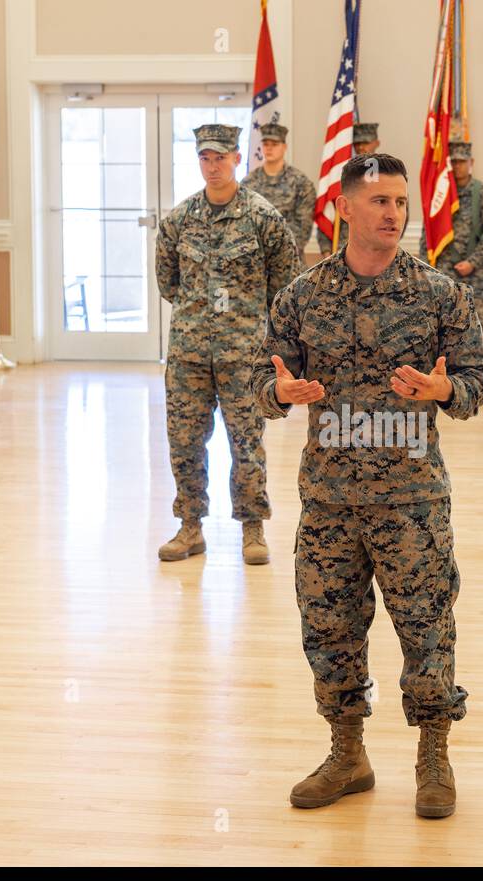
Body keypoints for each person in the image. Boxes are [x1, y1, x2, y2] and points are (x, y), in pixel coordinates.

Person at [250, 152, 483, 819]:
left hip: (412, 499)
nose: (393, 214)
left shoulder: (437, 292)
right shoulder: (303, 294)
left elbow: (477, 381)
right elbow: (259, 381)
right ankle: (348, 753)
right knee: (330, 628)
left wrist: (446, 388)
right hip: (329, 500)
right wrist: (280, 390)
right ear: (345, 207)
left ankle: (434, 753)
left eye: (400, 202)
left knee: (427, 627)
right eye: (380, 201)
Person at [154, 124, 300, 563]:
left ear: (238, 159)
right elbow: (168, 283)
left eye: (220, 157)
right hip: (189, 354)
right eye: (205, 157)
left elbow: (286, 283)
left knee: (246, 441)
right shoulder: (178, 221)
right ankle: (190, 527)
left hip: (244, 356)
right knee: (184, 440)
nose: (212, 165)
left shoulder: (263, 218)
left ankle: (252, 529)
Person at [419, 139, 483, 400]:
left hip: (477, 274)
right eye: (453, 161)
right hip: (443, 274)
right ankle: (440, 382)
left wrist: (473, 262)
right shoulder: (440, 196)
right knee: (439, 330)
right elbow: (428, 236)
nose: (457, 166)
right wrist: (425, 270)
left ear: (471, 163)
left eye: (462, 161)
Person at [243, 123, 316, 255]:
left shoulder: (300, 182)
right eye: (266, 144)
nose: (269, 149)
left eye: (274, 144)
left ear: (284, 147)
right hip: (256, 260)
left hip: (290, 258)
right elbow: (244, 223)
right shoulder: (248, 183)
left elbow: (303, 228)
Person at [317, 122, 379, 256]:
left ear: (376, 143)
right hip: (342, 253)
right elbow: (328, 209)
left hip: (376, 252)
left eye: (366, 142)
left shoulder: (387, 175)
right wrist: (326, 250)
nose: (361, 147)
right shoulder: (342, 176)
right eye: (357, 143)